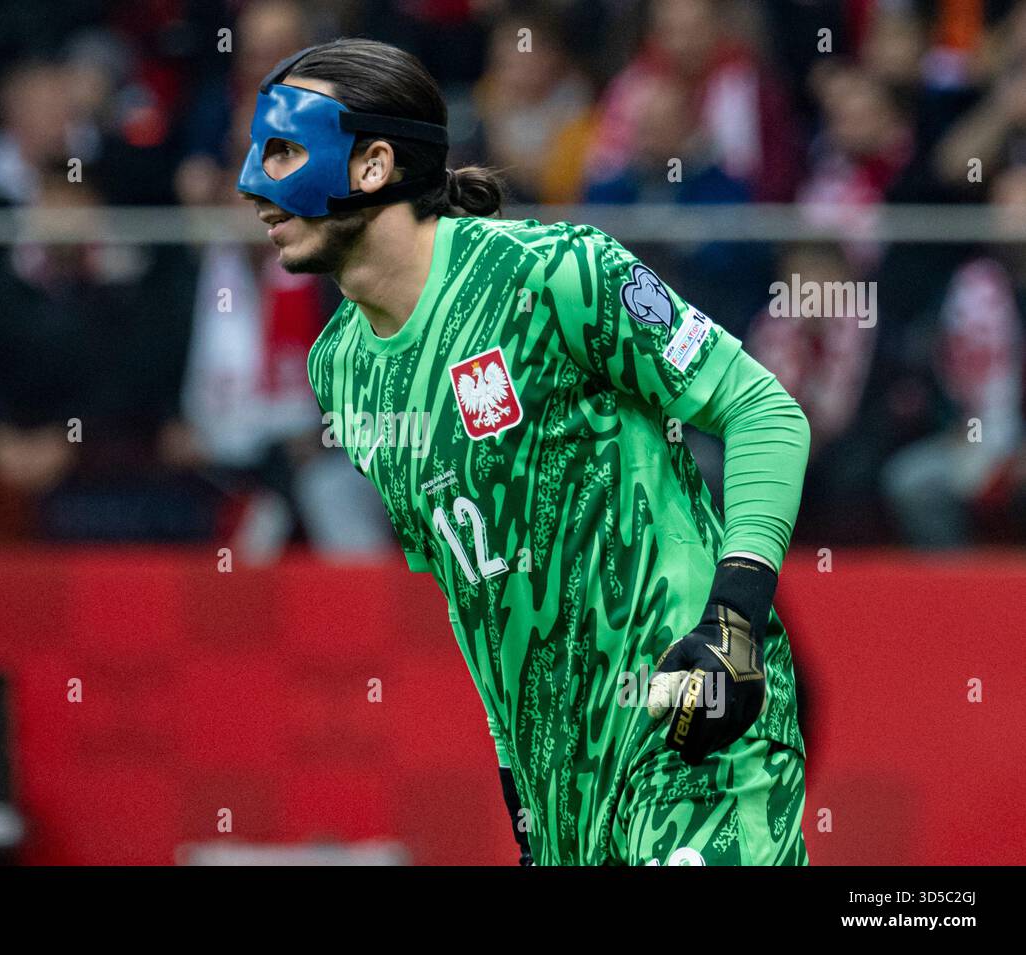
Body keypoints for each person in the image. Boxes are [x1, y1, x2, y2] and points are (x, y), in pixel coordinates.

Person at [238, 39, 810, 866]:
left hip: (692, 728)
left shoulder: (555, 273)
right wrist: (515, 766)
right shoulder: (341, 372)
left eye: (282, 150)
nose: (251, 183)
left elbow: (764, 410)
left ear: (371, 164)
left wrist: (735, 619)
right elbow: (469, 589)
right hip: (562, 784)